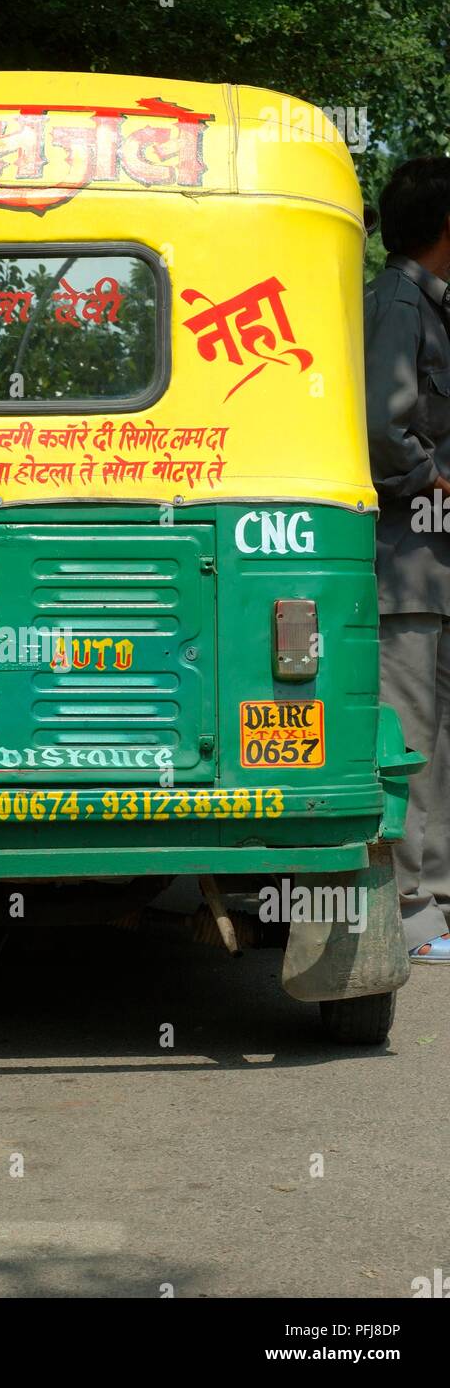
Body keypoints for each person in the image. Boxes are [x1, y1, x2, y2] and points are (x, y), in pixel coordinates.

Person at [365, 157, 450, 961]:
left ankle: (440, 903)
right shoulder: (397, 305)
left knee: (440, 738)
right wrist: (436, 478)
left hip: (435, 562)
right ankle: (411, 910)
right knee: (414, 740)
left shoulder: (431, 308)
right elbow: (386, 432)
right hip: (406, 564)